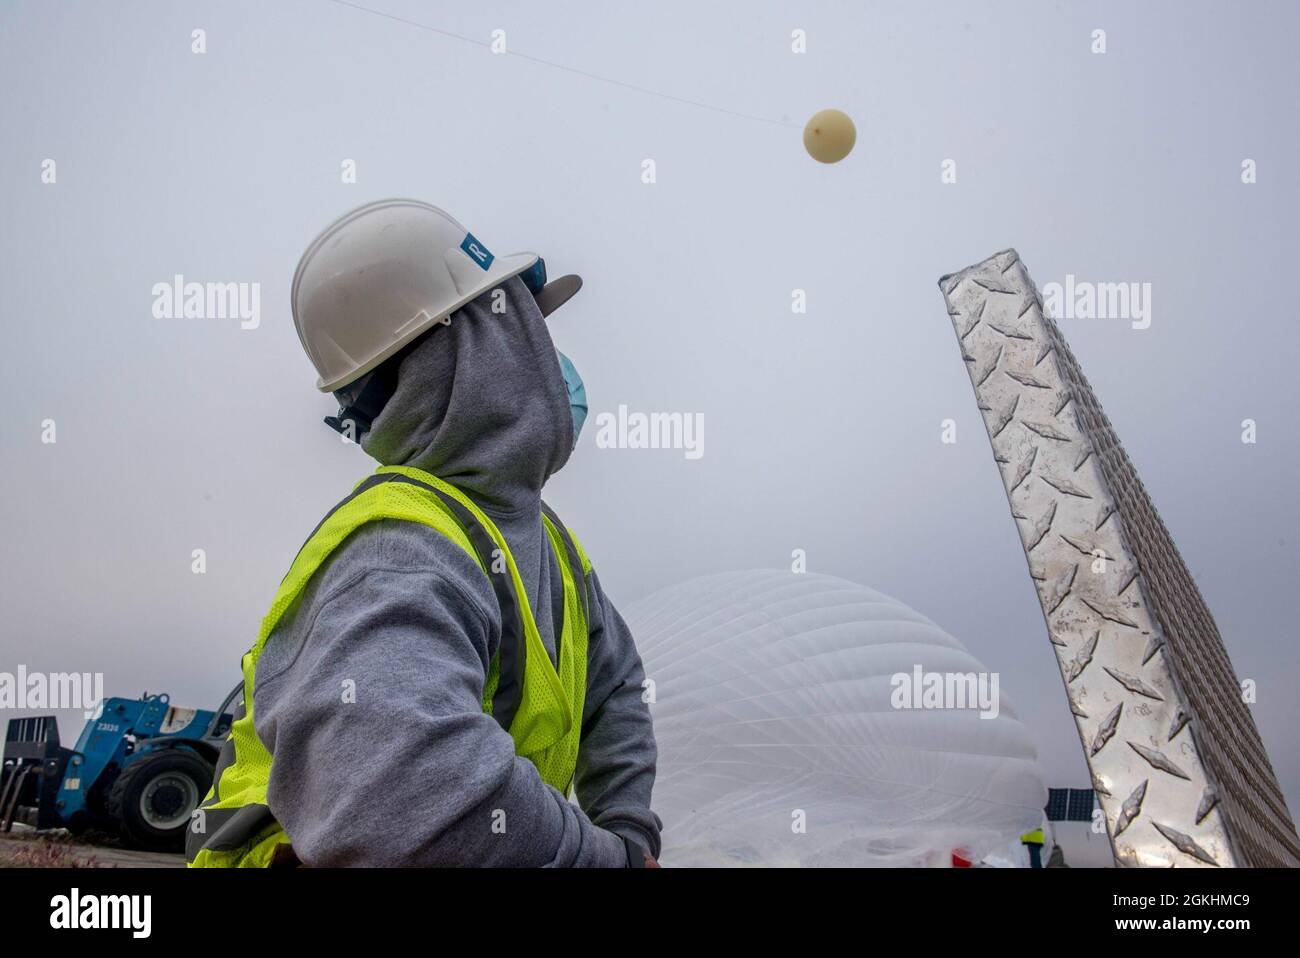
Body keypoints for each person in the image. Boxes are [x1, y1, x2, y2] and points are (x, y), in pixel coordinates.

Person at [188, 199, 660, 867]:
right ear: (476, 348)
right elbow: (415, 797)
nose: (548, 357)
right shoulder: (401, 549)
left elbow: (616, 690)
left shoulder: (546, 543)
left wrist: (632, 835)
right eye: (526, 325)